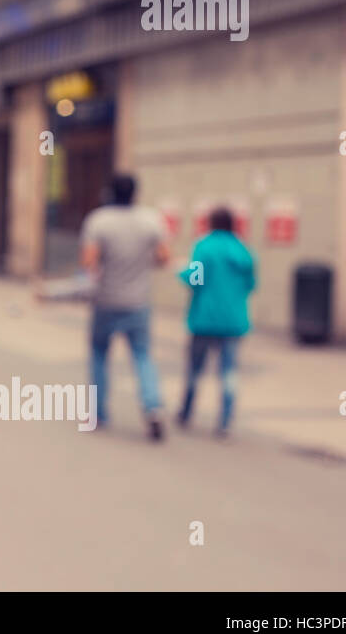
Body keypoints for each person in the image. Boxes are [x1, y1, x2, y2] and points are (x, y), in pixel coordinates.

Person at [79, 173, 169, 441]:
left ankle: (98, 413)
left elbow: (88, 263)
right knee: (142, 356)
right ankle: (153, 407)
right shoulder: (151, 220)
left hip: (105, 301)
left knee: (98, 355)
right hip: (138, 302)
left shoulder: (99, 221)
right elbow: (164, 257)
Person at [176, 206, 257, 437]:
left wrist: (181, 271)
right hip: (234, 321)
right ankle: (225, 422)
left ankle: (186, 411)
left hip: (205, 318)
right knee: (229, 371)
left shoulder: (204, 247)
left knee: (194, 369)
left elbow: (195, 279)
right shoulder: (244, 250)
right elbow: (251, 285)